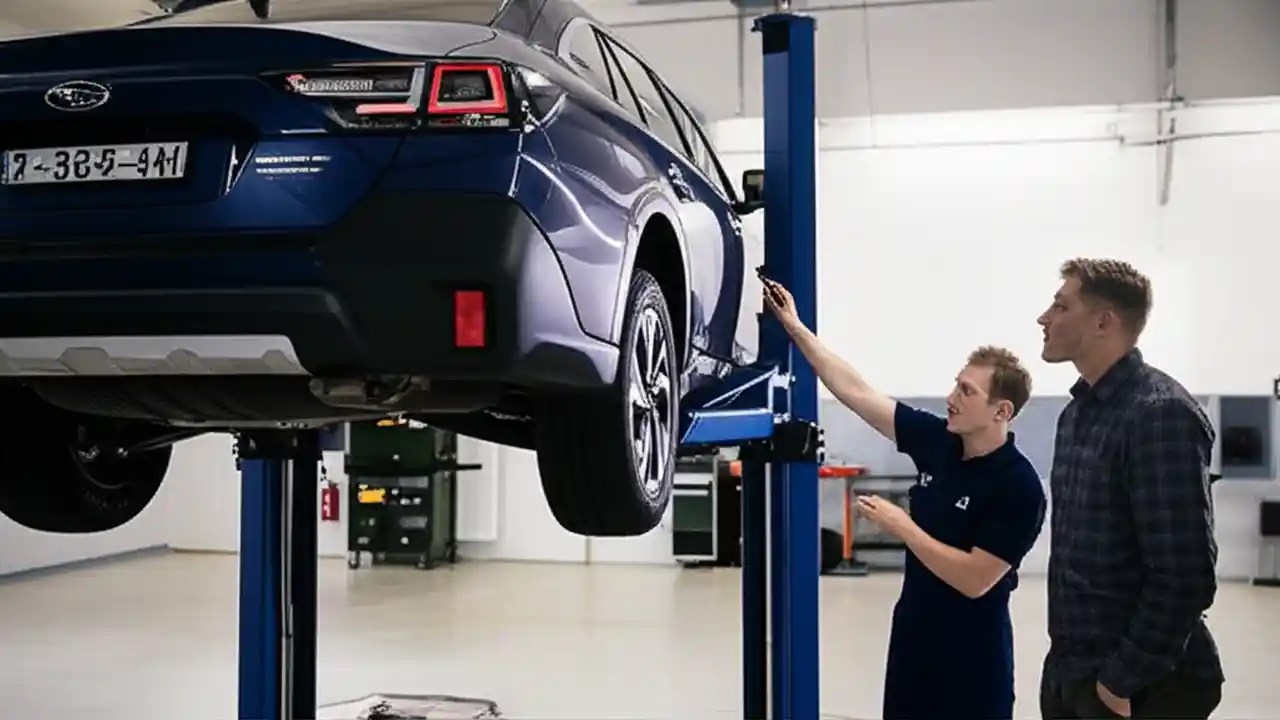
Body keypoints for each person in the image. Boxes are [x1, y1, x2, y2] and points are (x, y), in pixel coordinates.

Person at [761, 277, 1047, 720]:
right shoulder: (937, 441)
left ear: (1001, 411)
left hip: (972, 655)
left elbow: (975, 579)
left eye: (966, 392)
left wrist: (903, 527)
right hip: (914, 636)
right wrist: (797, 329)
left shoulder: (1018, 486)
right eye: (956, 385)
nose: (951, 399)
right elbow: (857, 393)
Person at [1035, 257, 1224, 719]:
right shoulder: (1076, 415)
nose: (1044, 318)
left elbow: (1185, 576)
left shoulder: (1159, 415)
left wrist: (1119, 682)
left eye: (1061, 306)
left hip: (1142, 686)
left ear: (1103, 322)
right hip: (1072, 671)